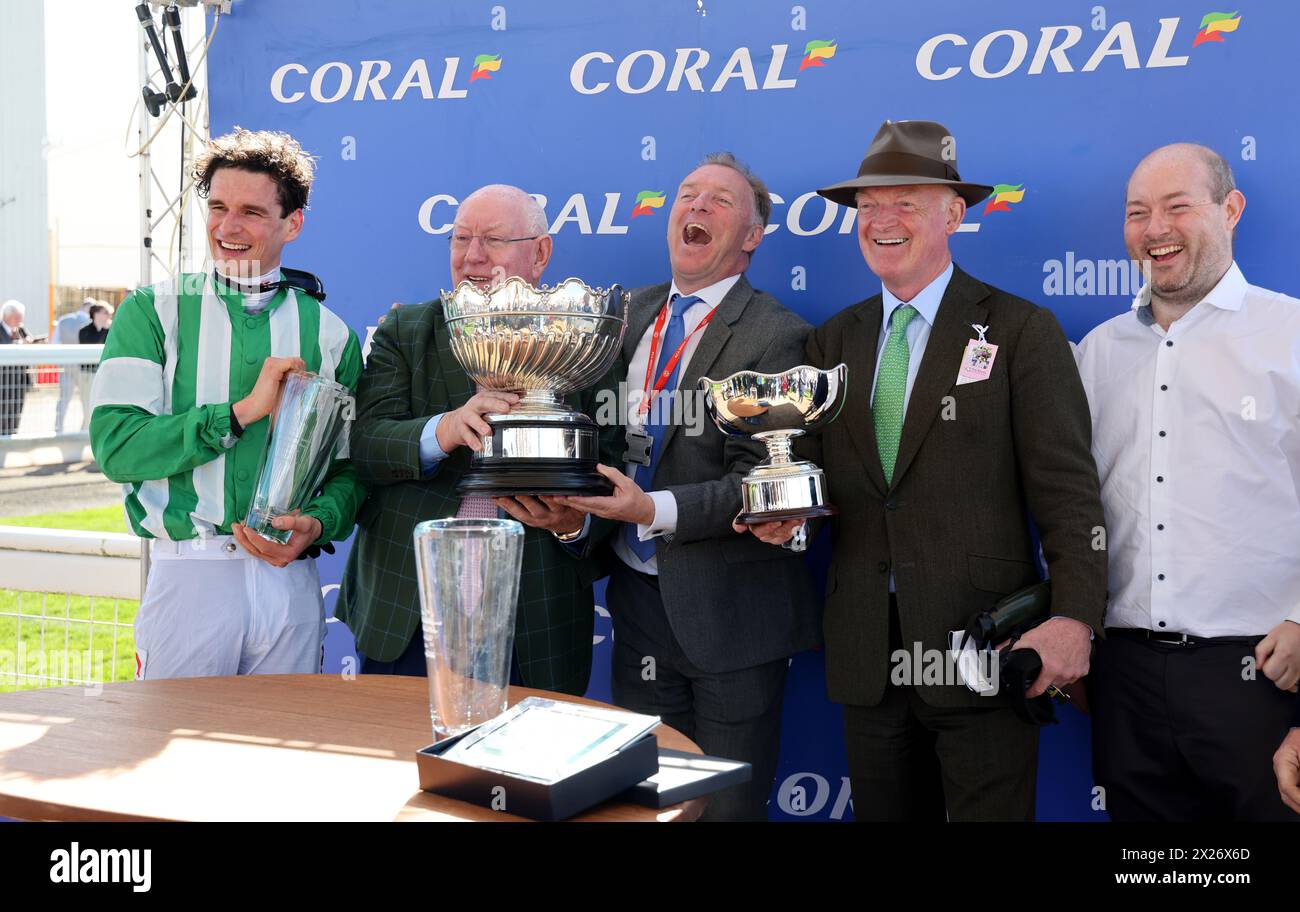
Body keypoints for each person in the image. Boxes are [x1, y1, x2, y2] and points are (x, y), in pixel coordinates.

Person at [751, 120, 1108, 821]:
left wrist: (1073, 617)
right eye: (869, 206)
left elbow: (1069, 496)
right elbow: (818, 479)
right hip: (866, 659)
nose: (881, 220)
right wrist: (783, 515)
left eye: (905, 202)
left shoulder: (1018, 330)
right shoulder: (832, 340)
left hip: (982, 653)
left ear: (953, 213)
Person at [515, 153, 820, 821]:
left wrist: (648, 508)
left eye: (720, 201)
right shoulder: (623, 316)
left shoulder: (777, 336)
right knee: (644, 810)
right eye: (688, 195)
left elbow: (762, 481)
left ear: (751, 237)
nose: (697, 208)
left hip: (733, 621)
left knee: (727, 811)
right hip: (638, 610)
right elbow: (595, 443)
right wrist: (570, 516)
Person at [89, 128, 365, 681]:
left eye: (251, 212)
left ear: (293, 223)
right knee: (177, 756)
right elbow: (117, 448)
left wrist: (320, 522)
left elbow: (350, 470)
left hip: (290, 583)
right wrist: (237, 414)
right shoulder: (151, 311)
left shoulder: (331, 333)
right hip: (192, 578)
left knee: (280, 758)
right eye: (217, 207)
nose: (228, 228)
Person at [1076, 143, 1300, 821]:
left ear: (1230, 210)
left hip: (1262, 674)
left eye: (1178, 207)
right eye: (1138, 212)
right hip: (1125, 679)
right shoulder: (1097, 353)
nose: (1155, 230)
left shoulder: (1290, 334)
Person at [336, 184, 620, 695]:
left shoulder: (586, 338)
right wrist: (443, 430)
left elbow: (613, 464)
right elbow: (364, 445)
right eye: (460, 239)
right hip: (410, 611)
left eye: (492, 240)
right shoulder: (406, 330)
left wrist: (576, 524)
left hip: (535, 620)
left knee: (524, 773)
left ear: (541, 252)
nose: (472, 256)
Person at [54, 298, 94, 433]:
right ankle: (84, 429)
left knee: (64, 399)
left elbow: (55, 343)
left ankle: (58, 428)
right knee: (86, 399)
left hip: (66, 364)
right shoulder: (91, 323)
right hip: (85, 368)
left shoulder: (63, 320)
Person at [0, 300, 32, 437]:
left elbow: (28, 341)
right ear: (7, 316)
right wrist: (19, 344)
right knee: (3, 411)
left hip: (19, 379)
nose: (20, 320)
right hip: (3, 380)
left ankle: (12, 437)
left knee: (16, 410)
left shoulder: (21, 329)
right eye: (17, 317)